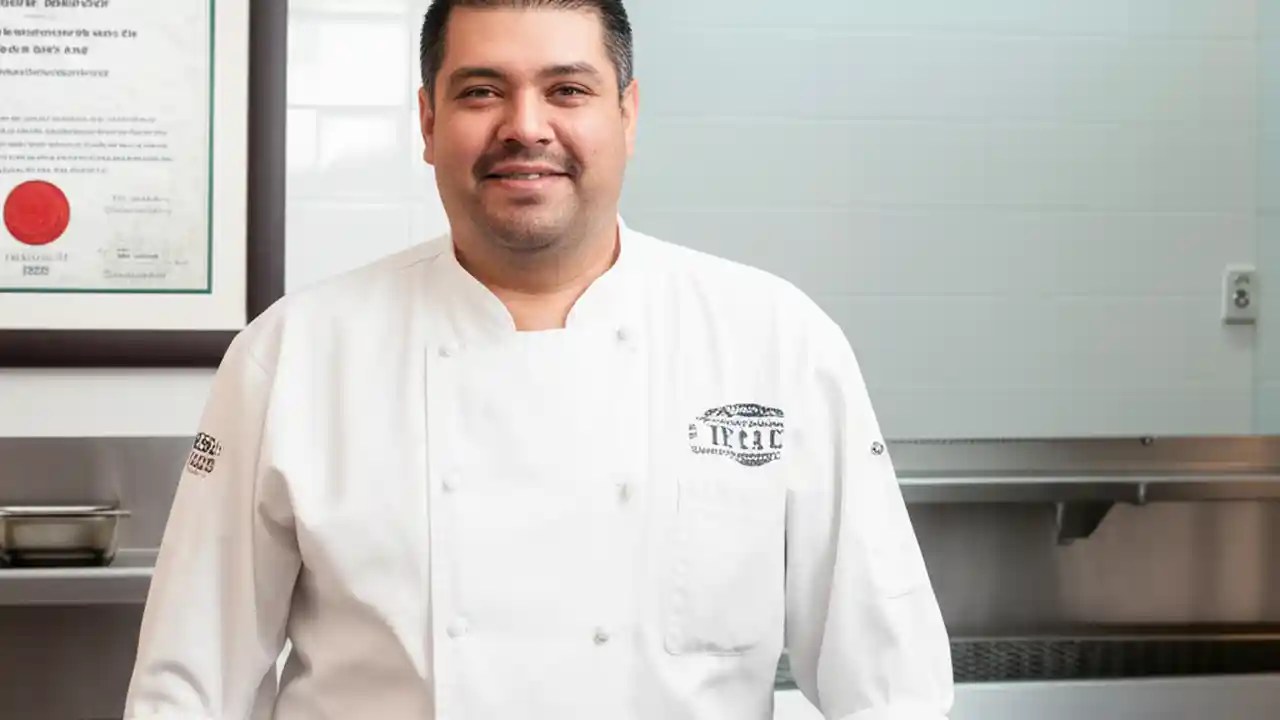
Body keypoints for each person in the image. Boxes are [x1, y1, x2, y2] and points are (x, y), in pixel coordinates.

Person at [122, 1, 954, 718]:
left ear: (627, 114)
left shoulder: (775, 342)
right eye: (481, 91)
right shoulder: (292, 356)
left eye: (568, 89)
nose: (525, 126)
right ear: (426, 123)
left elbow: (893, 690)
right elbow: (187, 694)